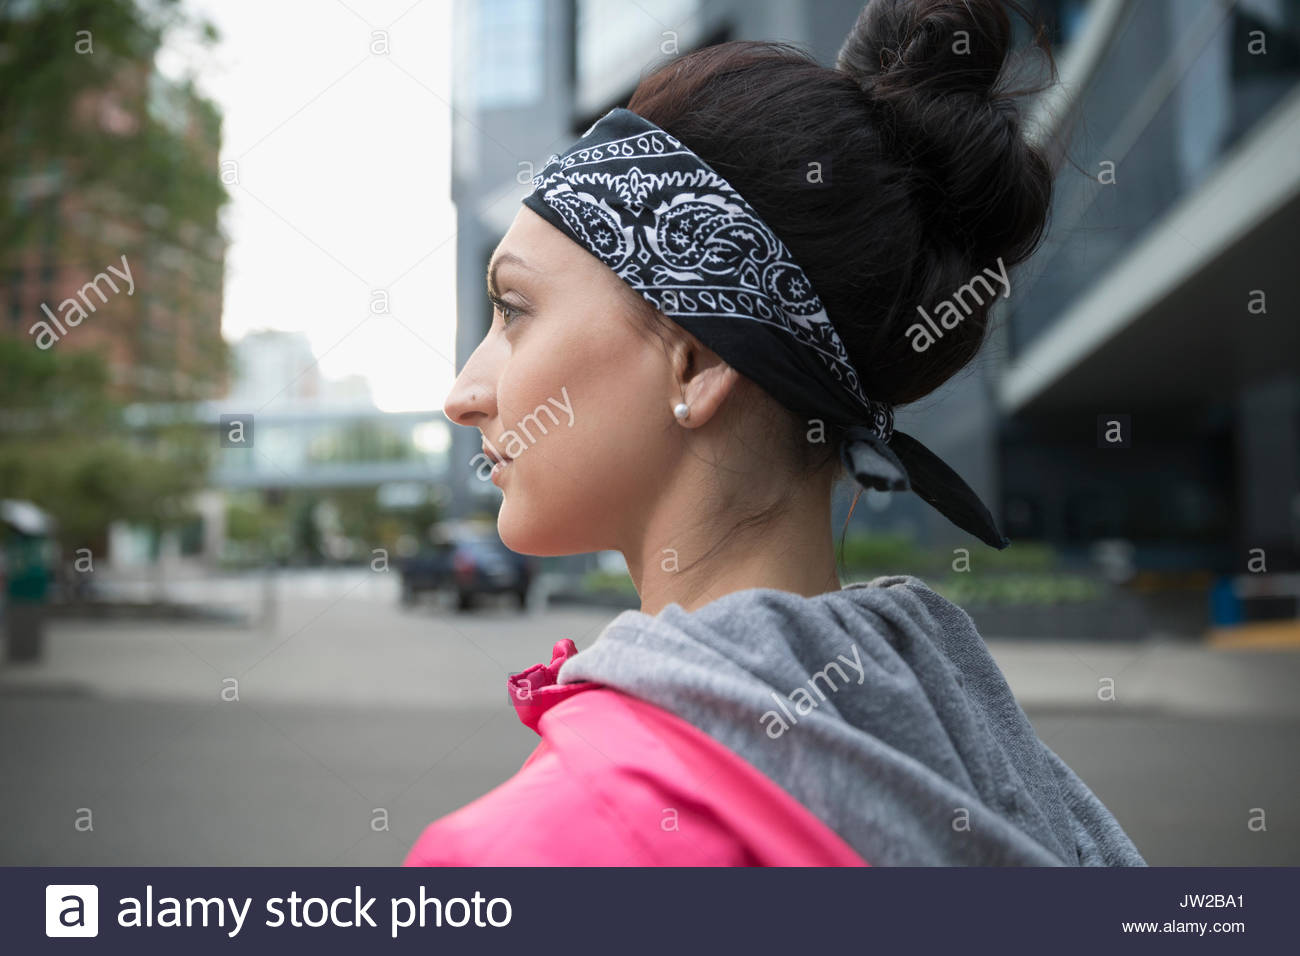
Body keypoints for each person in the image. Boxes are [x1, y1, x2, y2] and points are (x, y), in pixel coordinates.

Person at [408, 0, 1147, 866]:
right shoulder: (989, 761)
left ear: (696, 364)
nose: (464, 394)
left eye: (514, 310)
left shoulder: (545, 850)